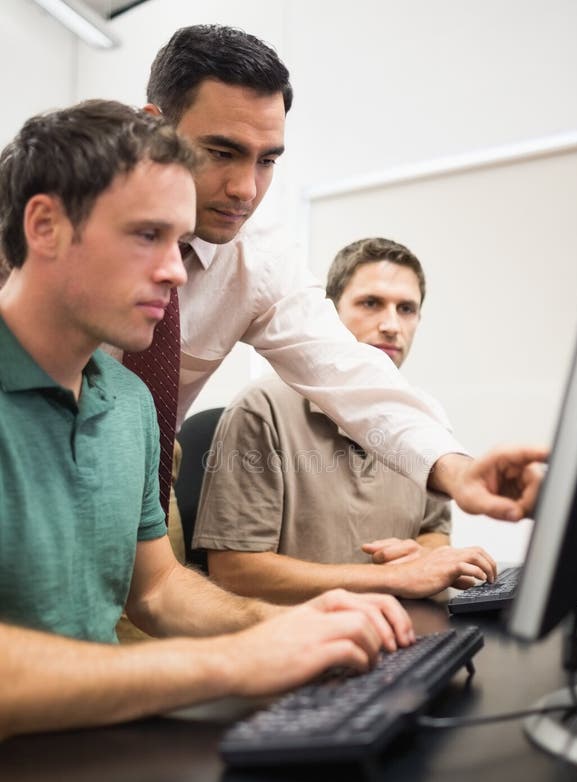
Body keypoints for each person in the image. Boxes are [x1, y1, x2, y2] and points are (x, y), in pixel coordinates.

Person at [0, 100, 414, 742]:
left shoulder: (131, 403)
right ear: (45, 226)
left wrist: (274, 626)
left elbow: (158, 589)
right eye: (146, 235)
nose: (174, 270)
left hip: (82, 759)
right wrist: (230, 662)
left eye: (178, 238)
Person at [135, 23, 545, 524]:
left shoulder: (258, 258)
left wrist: (459, 471)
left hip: (144, 480)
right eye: (221, 153)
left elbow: (349, 373)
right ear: (154, 128)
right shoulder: (67, 218)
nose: (245, 189)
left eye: (266, 161)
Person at [194, 237, 497, 603]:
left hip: (402, 634)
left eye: (406, 309)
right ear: (331, 313)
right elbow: (234, 572)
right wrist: (389, 579)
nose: (390, 324)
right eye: (371, 303)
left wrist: (426, 556)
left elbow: (434, 531)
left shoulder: (423, 422)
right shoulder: (262, 410)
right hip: (299, 642)